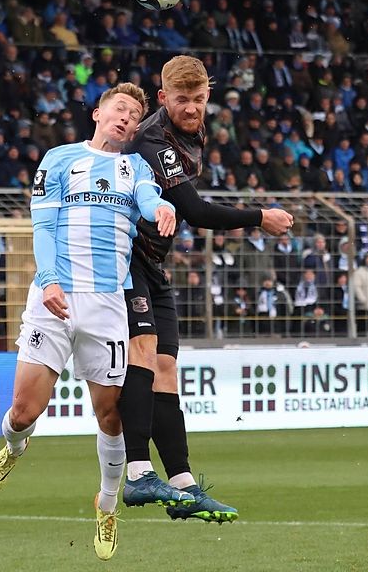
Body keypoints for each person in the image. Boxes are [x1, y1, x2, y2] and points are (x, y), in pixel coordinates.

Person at [0, 83, 177, 561]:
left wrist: (163, 208)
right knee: (25, 411)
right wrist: (48, 280)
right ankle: (15, 445)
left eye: (135, 114)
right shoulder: (60, 158)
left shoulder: (136, 168)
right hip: (54, 298)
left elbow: (150, 200)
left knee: (110, 415)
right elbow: (43, 224)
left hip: (108, 307)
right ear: (98, 112)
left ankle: (107, 506)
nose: (128, 118)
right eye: (120, 109)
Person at [119, 56, 293, 523]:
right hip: (125, 256)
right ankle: (137, 472)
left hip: (154, 263)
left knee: (167, 368)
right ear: (162, 98)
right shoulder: (155, 140)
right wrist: (259, 216)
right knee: (144, 349)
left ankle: (182, 485)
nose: (192, 108)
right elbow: (194, 211)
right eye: (182, 100)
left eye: (198, 99)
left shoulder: (192, 132)